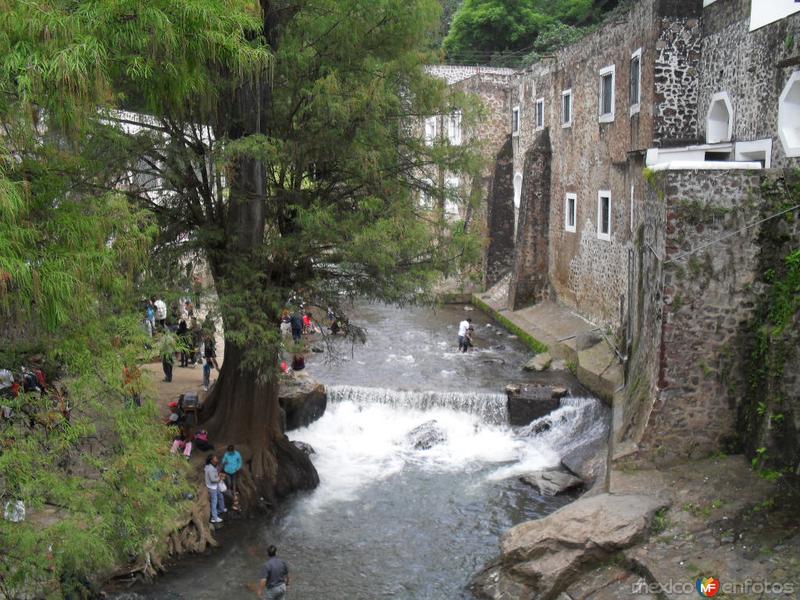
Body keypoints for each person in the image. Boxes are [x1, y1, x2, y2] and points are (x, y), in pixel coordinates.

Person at [205, 454, 226, 523]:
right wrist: (220, 478)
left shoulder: (212, 466)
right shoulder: (210, 469)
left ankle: (220, 510)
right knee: (214, 502)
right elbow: (212, 479)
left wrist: (218, 475)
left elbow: (215, 475)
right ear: (211, 460)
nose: (217, 459)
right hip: (212, 487)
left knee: (220, 497)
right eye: (215, 458)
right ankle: (214, 518)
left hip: (215, 486)